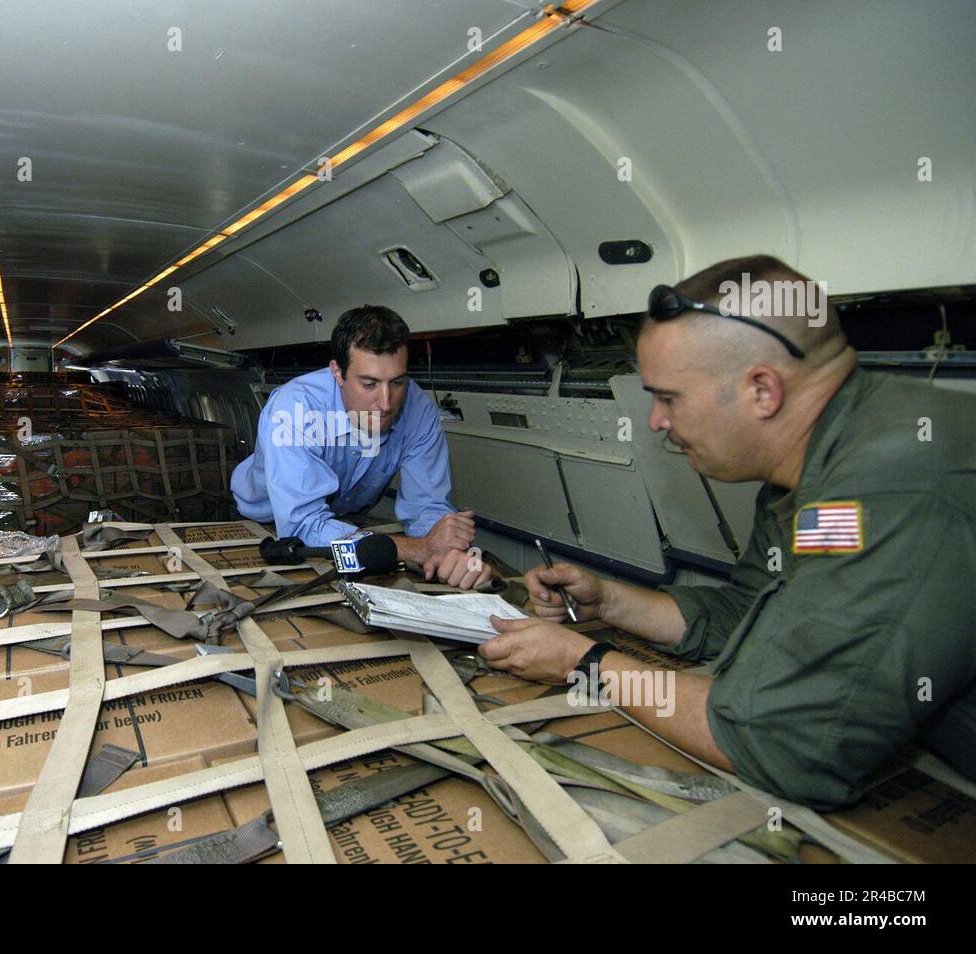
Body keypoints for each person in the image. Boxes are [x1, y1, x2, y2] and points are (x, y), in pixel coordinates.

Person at [480, 255, 975, 809]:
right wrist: (611, 602)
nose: (656, 422)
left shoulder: (888, 485)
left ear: (763, 390)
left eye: (668, 398)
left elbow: (781, 745)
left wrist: (587, 664)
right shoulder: (812, 469)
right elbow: (753, 611)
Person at [233, 305, 490, 588]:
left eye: (397, 382)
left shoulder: (420, 410)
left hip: (341, 520)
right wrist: (420, 548)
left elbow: (426, 506)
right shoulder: (294, 407)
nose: (386, 403)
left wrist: (447, 549)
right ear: (338, 373)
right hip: (266, 524)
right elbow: (302, 526)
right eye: (369, 384)